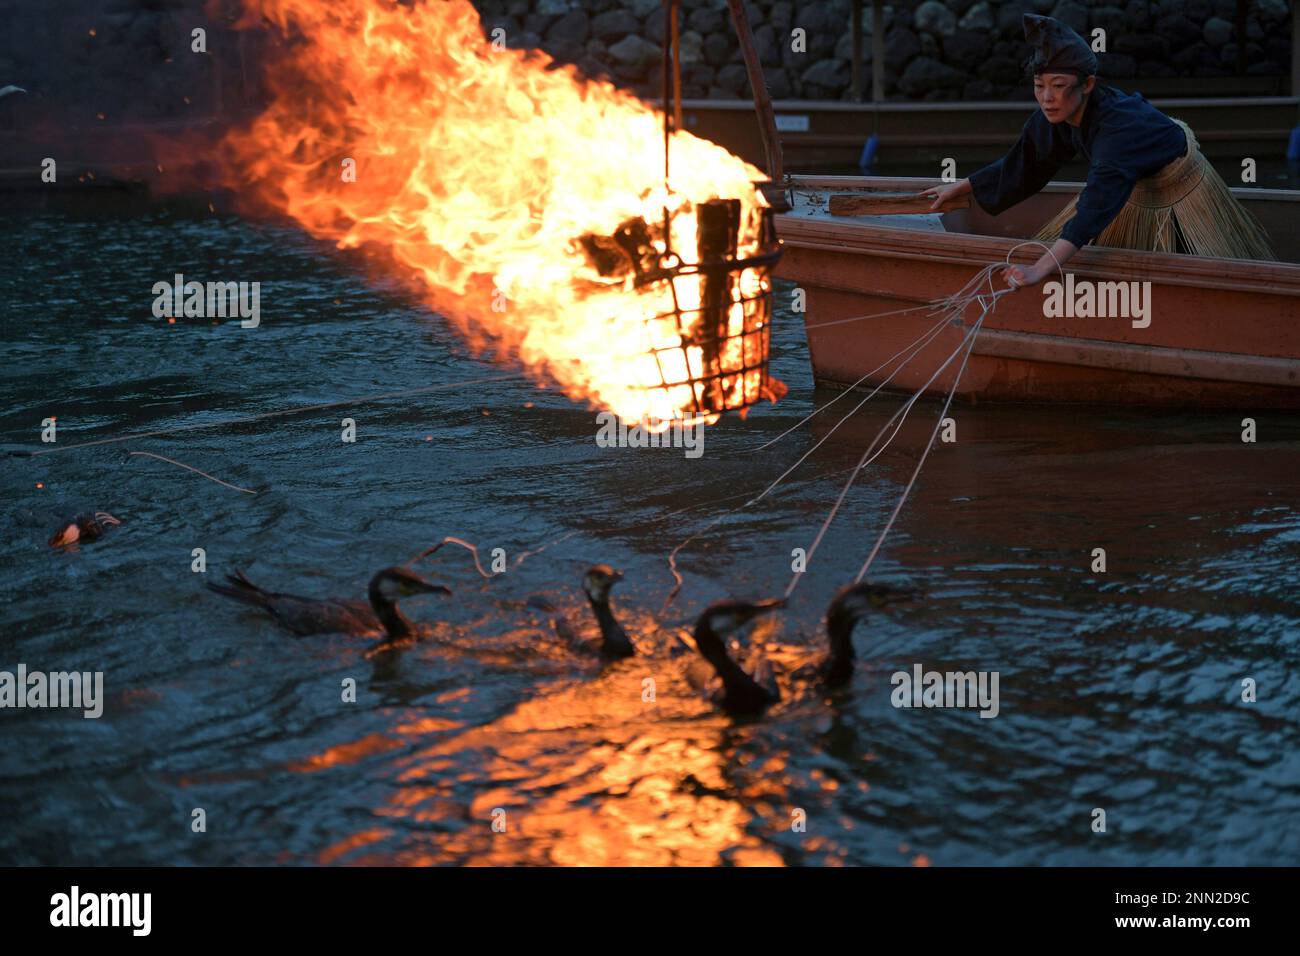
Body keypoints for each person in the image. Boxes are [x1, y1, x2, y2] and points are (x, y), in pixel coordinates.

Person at [920, 14, 1276, 290]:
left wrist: (1039, 269)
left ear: (1087, 85)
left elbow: (1096, 203)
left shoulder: (1117, 132)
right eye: (1039, 86)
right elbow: (1024, 162)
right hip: (1133, 183)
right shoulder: (1056, 112)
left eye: (1058, 87)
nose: (1047, 97)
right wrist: (961, 187)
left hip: (1179, 184)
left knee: (1189, 260)